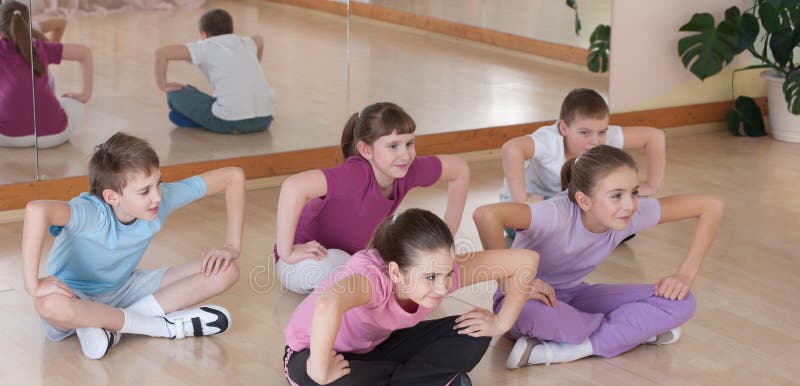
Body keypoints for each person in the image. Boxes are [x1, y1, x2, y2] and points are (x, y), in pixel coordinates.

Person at [284, 208, 540, 386]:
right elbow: (328, 304)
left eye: (448, 273)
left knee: (476, 332)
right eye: (430, 278)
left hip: (377, 349)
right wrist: (319, 367)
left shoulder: (439, 270)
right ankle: (432, 382)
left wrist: (500, 323)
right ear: (396, 272)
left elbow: (526, 261)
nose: (442, 287)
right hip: (314, 351)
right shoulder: (371, 278)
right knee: (329, 385)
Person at [472, 145, 724, 368]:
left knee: (682, 301)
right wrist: (510, 285)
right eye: (616, 195)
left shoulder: (628, 213)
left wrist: (685, 274)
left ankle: (570, 350)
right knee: (557, 320)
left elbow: (711, 206)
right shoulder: (555, 214)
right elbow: (486, 215)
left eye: (634, 192)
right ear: (583, 200)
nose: (630, 205)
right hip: (525, 301)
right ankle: (630, 331)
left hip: (576, 295)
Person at [22, 132, 245, 360]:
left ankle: (109, 327)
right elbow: (36, 210)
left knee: (227, 271)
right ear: (112, 196)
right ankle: (160, 328)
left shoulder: (160, 199)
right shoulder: (90, 213)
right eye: (144, 191)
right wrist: (33, 285)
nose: (157, 196)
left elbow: (233, 176)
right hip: (76, 297)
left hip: (125, 288)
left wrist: (232, 246)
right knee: (50, 305)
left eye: (158, 183)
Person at [274, 101, 470, 294]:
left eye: (409, 143)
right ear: (366, 150)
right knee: (356, 268)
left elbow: (460, 169)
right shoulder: (355, 174)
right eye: (393, 146)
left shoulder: (408, 170)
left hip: (351, 260)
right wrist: (287, 252)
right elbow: (293, 187)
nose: (405, 154)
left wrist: (447, 237)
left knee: (400, 263)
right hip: (303, 262)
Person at [500, 88, 666, 204]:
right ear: (564, 128)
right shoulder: (548, 141)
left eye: (601, 132)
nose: (595, 141)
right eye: (585, 133)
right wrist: (522, 198)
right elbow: (511, 148)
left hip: (571, 202)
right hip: (534, 205)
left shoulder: (602, 136)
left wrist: (651, 185)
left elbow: (655, 137)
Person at [154, 8, 275, 134]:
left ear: (204, 34)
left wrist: (163, 85)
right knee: (198, 95)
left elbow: (161, 53)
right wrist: (252, 64)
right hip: (264, 120)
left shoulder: (205, 46)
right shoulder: (247, 42)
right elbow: (259, 39)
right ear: (231, 30)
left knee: (174, 94)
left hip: (230, 122)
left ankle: (201, 122)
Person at [0, 1, 91, 148]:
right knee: (74, 104)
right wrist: (86, 94)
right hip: (52, 136)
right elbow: (84, 53)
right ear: (27, 22)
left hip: (6, 137)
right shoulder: (40, 46)